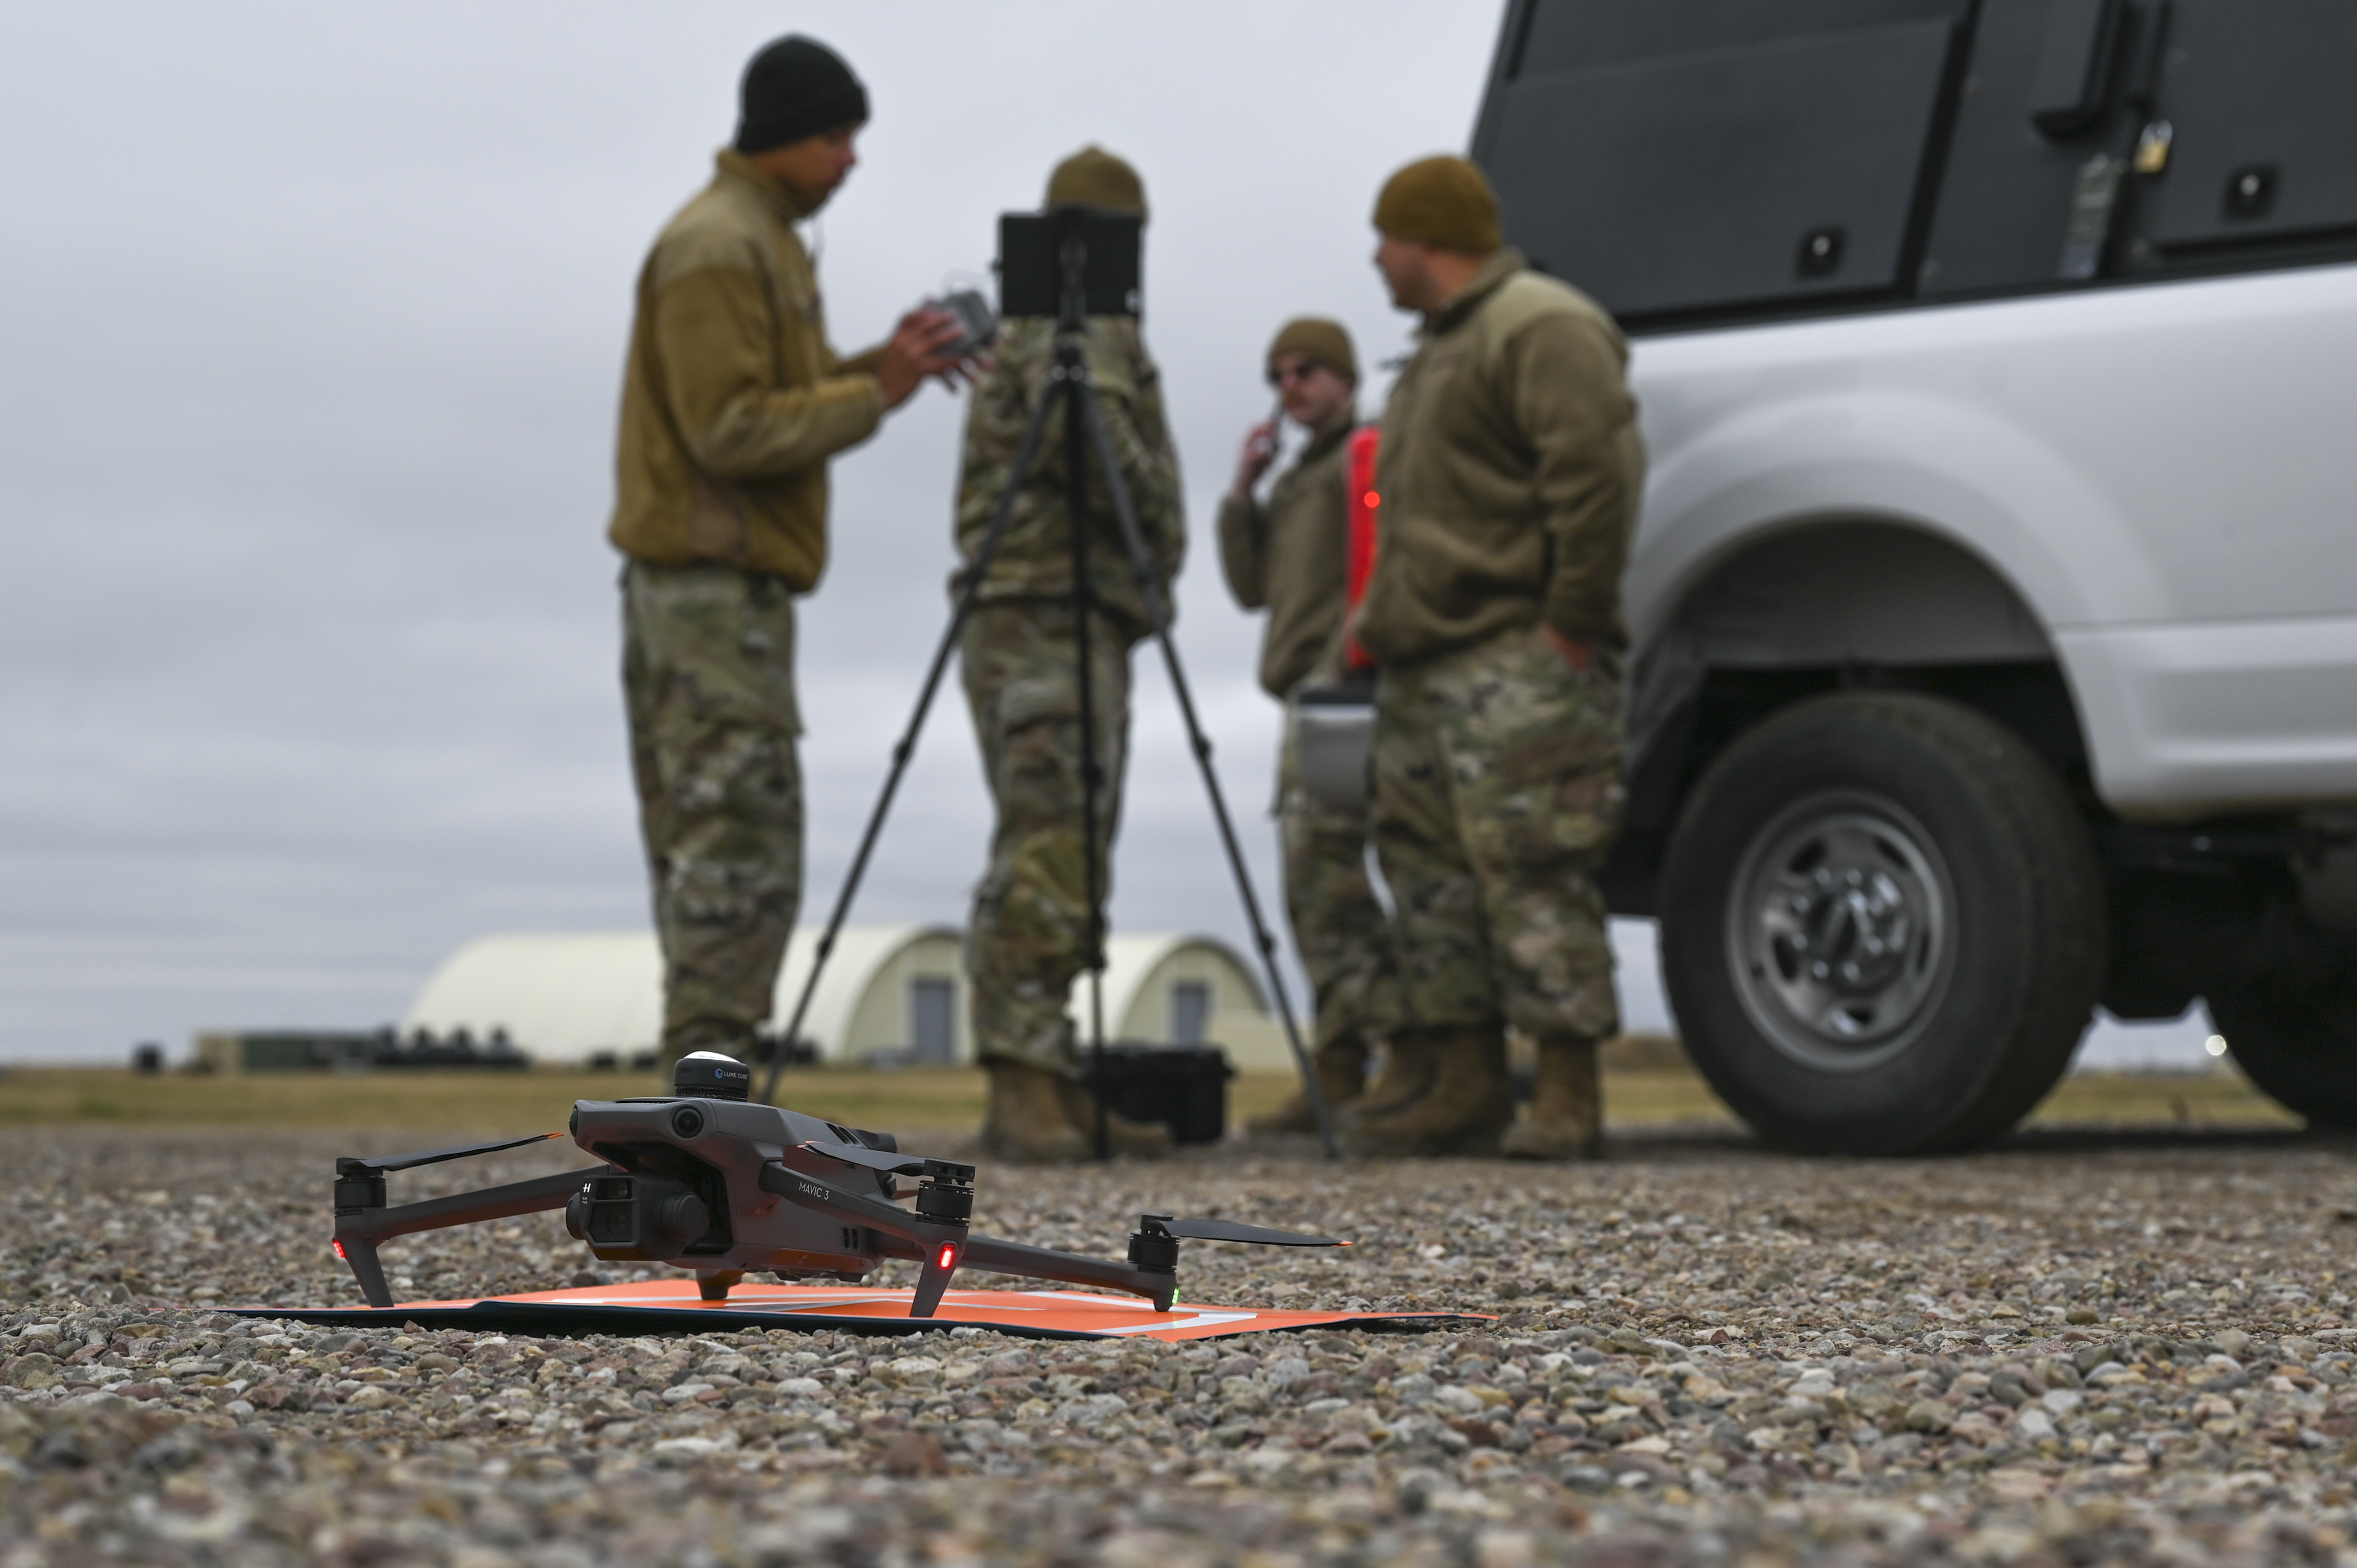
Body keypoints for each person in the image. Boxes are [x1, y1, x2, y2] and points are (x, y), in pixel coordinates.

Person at [610, 35, 970, 1067]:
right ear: (781, 136)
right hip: (708, 595)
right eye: (834, 136)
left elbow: (770, 402)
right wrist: (879, 393)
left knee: (735, 834)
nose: (849, 159)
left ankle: (709, 1082)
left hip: (722, 596)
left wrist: (881, 364)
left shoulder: (762, 239)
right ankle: (708, 1091)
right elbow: (728, 429)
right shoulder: (721, 246)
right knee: (734, 840)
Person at [1347, 155, 1645, 1160]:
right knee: (1430, 881)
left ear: (1423, 238)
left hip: (1514, 658)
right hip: (1427, 667)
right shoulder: (1436, 351)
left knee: (1532, 868)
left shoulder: (1538, 323)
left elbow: (1595, 477)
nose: (1376, 260)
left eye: (1384, 237)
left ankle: (1565, 1089)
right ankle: (1464, 1080)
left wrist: (1569, 624)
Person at [955, 147, 1186, 1163]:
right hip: (1043, 612)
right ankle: (1022, 1082)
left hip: (1067, 613)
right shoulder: (1068, 333)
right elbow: (1098, 458)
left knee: (1070, 839)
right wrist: (1159, 531)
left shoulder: (1056, 332)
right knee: (1051, 844)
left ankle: (1047, 1070)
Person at [1217, 319, 1399, 1134]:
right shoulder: (1298, 480)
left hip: (1343, 692)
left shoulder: (1364, 458)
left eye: (1310, 372)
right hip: (1303, 698)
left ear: (1346, 379)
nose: (1292, 388)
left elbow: (1377, 565)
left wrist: (1345, 666)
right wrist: (1241, 495)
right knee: (1311, 885)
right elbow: (1252, 588)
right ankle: (1339, 1059)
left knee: (1334, 880)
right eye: (1280, 375)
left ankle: (1387, 1055)